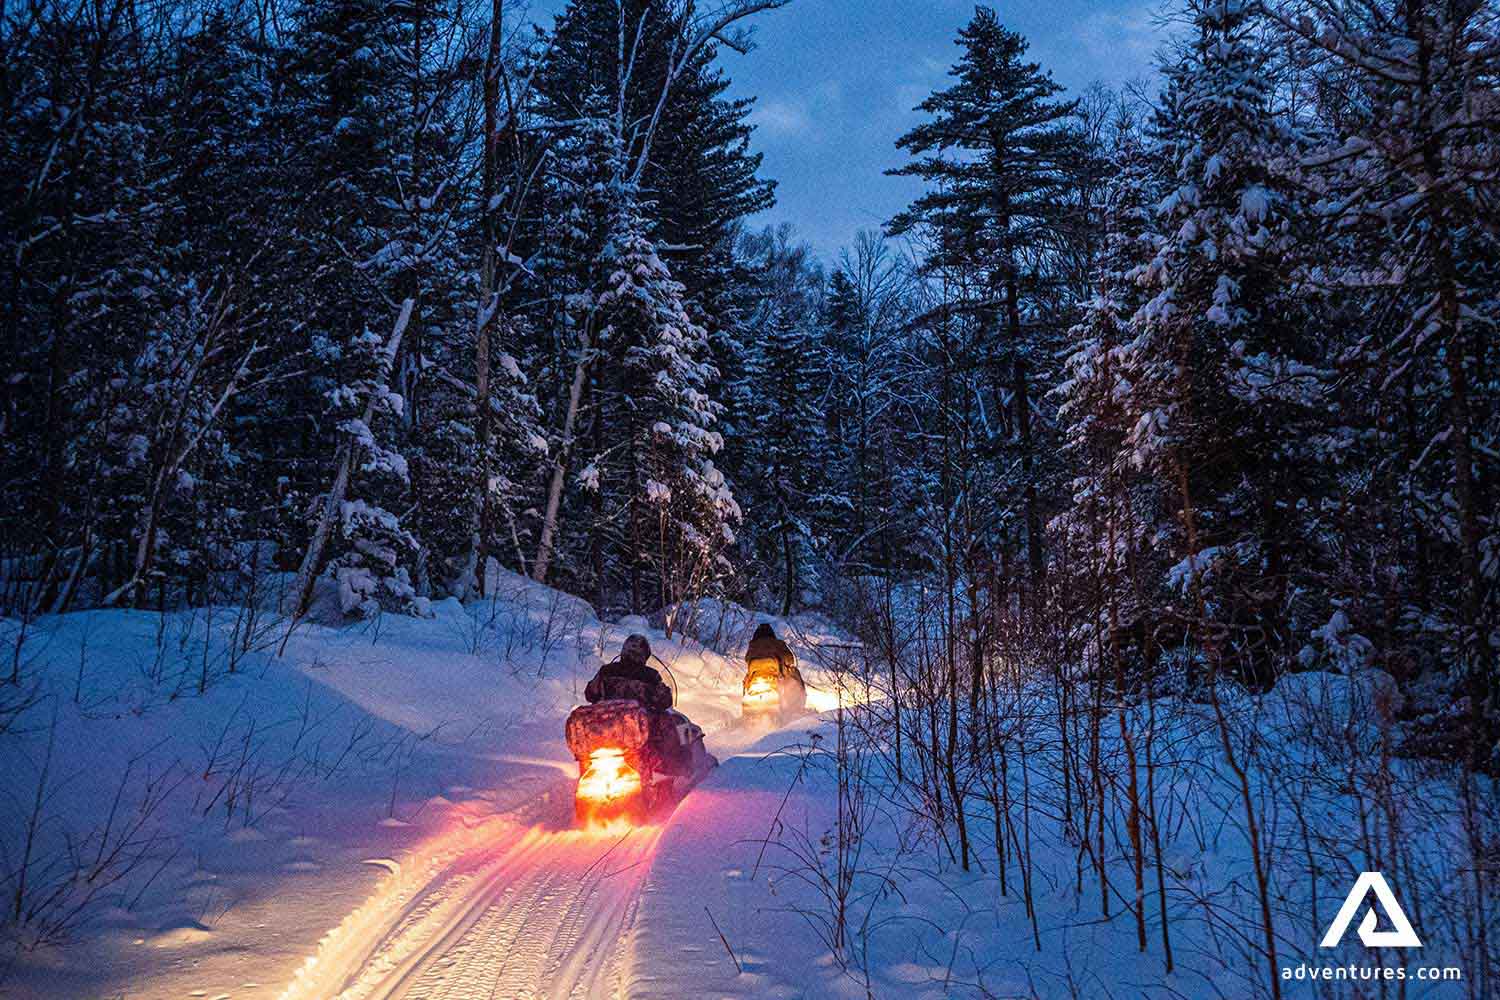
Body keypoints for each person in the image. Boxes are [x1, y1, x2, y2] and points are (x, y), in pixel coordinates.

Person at [585, 634, 672, 711]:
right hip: (638, 726)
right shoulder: (651, 675)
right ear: (645, 654)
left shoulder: (607, 670)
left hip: (607, 723)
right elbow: (665, 701)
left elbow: (590, 694)